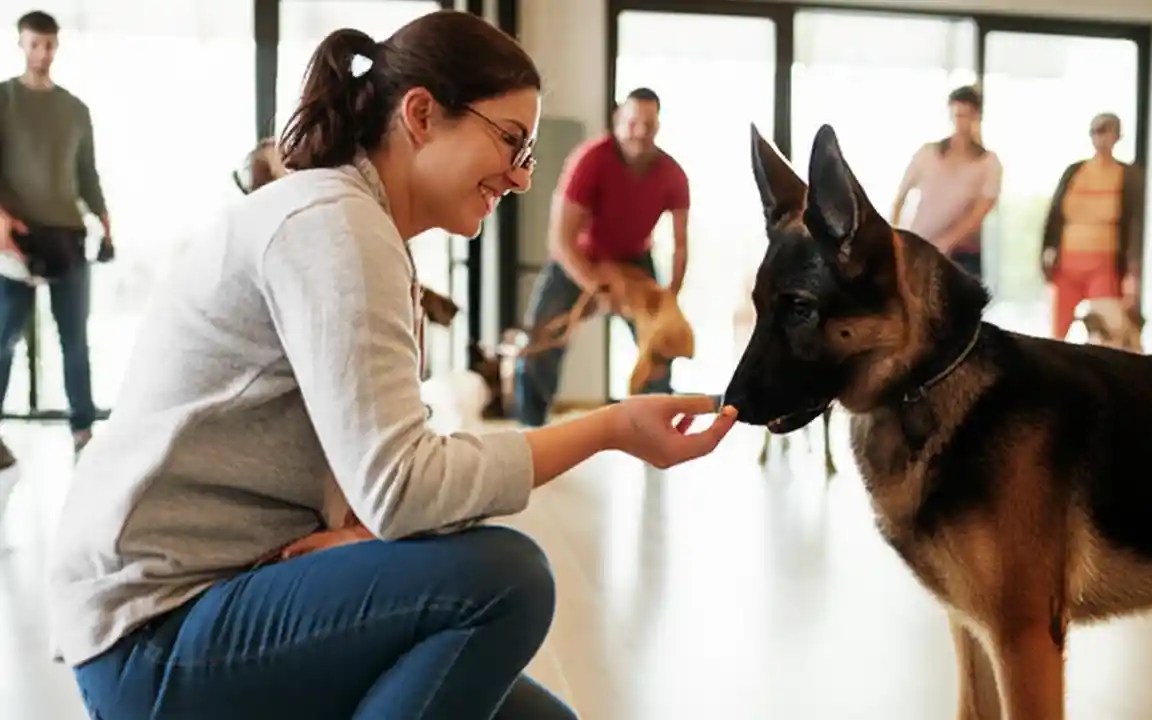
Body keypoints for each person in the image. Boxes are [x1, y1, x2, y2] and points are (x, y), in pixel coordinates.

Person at [48, 11, 736, 720]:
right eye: (511, 141)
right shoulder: (334, 225)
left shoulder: (354, 226)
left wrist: (356, 537)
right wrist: (611, 428)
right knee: (508, 578)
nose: (522, 177)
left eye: (529, 154)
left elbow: (371, 476)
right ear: (420, 114)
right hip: (154, 634)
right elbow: (402, 485)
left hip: (233, 592)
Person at [514, 87, 690, 427]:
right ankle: (529, 431)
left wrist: (670, 297)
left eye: (649, 125)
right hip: (579, 259)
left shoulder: (672, 173)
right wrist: (600, 287)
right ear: (617, 121)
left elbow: (681, 245)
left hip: (635, 260)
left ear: (658, 126)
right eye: (633, 122)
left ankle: (656, 426)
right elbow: (561, 239)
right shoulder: (590, 159)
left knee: (660, 343)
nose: (641, 132)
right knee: (541, 342)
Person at [0, 10, 110, 466]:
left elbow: (87, 174)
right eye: (34, 44)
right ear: (21, 44)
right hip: (15, 239)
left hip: (67, 236)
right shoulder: (3, 100)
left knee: (75, 340)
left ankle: (83, 432)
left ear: (56, 47)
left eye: (49, 45)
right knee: (3, 338)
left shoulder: (75, 110)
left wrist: (105, 219)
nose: (42, 53)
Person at [1042, 112, 1145, 339]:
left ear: (1117, 136)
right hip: (1068, 262)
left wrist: (1132, 273)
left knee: (1108, 330)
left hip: (1104, 264)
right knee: (1057, 332)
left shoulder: (1127, 175)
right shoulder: (1075, 172)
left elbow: (1135, 224)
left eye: (1106, 131)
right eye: (1096, 131)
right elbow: (1055, 215)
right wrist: (1047, 251)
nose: (1100, 138)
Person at [891, 85, 1002, 280]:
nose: (962, 123)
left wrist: (946, 243)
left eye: (967, 116)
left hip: (961, 254)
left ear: (977, 117)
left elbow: (979, 212)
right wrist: (895, 239)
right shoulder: (927, 154)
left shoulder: (988, 164)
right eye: (958, 115)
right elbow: (900, 197)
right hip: (919, 244)